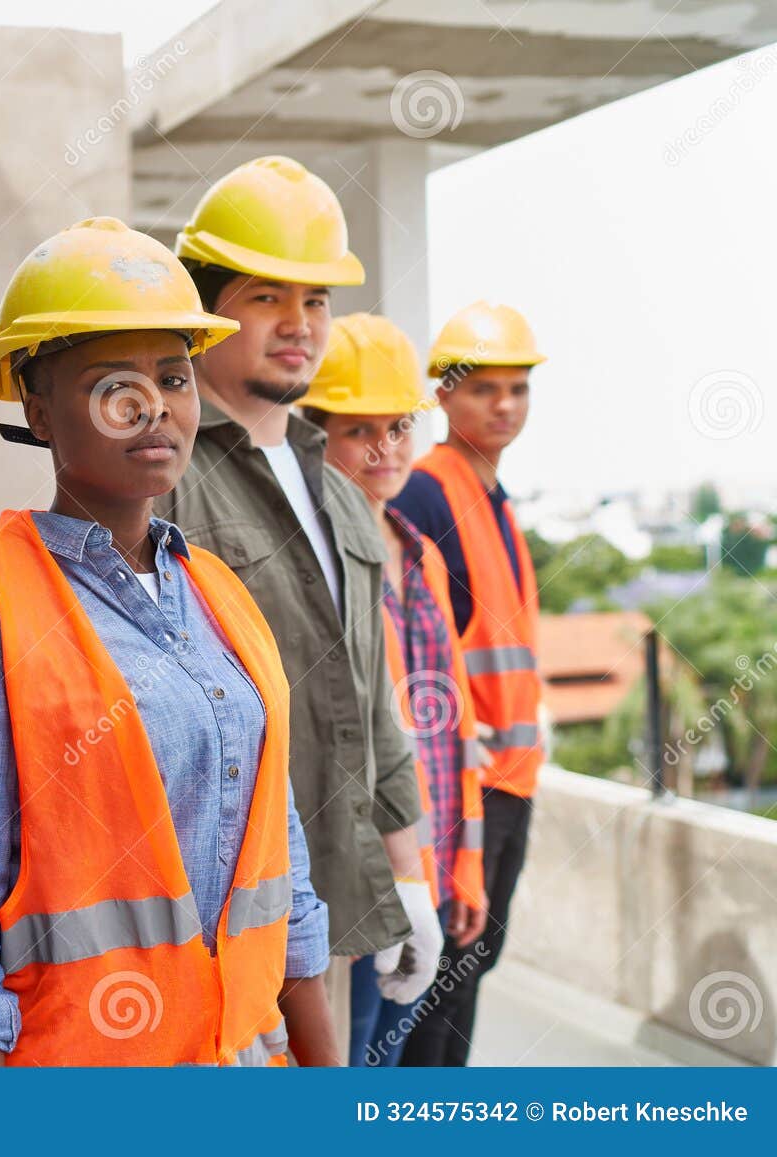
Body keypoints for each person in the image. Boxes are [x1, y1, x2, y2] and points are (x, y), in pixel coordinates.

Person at [0, 217, 335, 1066]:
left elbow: (285, 864)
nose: (154, 406)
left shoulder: (221, 597)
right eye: (114, 383)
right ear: (39, 412)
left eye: (174, 375)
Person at [158, 157, 442, 1057]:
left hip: (345, 918)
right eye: (266, 297)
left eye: (315, 300)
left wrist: (410, 878)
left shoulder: (346, 496)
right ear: (207, 310)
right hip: (226, 935)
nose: (300, 324)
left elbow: (376, 706)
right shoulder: (162, 481)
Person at [296, 313, 489, 1065]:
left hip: (425, 862)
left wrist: (457, 865)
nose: (386, 447)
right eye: (358, 430)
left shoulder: (419, 555)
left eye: (399, 426)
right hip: (355, 881)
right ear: (314, 438)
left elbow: (453, 730)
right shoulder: (314, 565)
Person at [389, 301, 546, 1066]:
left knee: (468, 973)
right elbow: (425, 665)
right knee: (440, 990)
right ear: (444, 395)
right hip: (464, 788)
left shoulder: (497, 501)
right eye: (484, 388)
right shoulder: (428, 494)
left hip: (510, 782)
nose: (505, 404)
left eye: (518, 388)